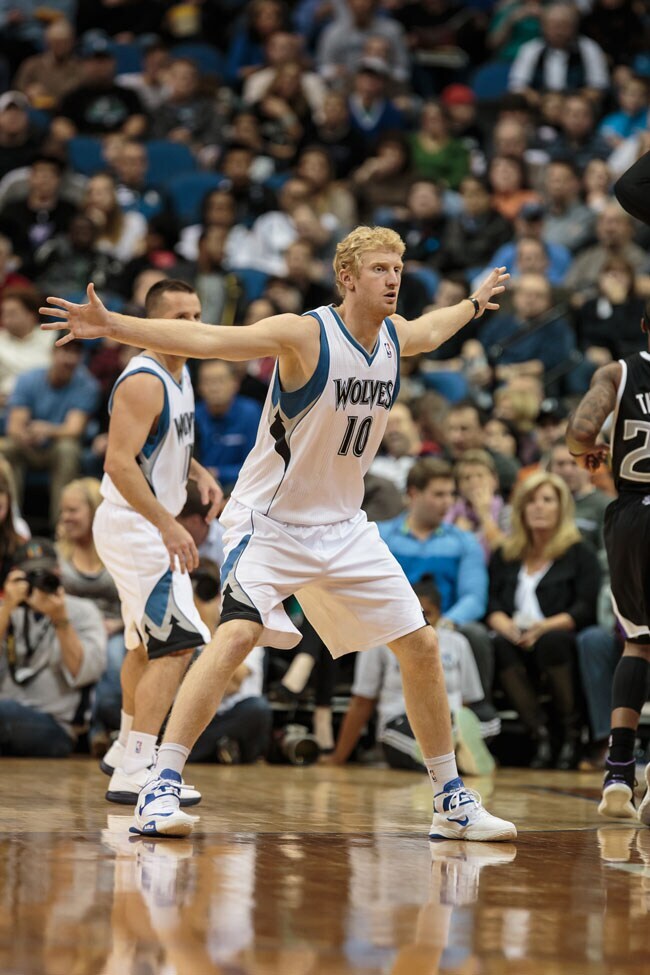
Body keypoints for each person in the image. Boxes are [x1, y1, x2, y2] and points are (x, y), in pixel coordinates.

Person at [42, 226, 516, 842]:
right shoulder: (305, 334)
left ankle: (450, 799)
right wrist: (117, 326)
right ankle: (158, 785)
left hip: (344, 528)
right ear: (348, 278)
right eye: (379, 268)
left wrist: (474, 304)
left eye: (398, 267)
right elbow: (209, 338)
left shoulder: (397, 336)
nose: (393, 277)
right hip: (270, 523)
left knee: (421, 646)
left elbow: (435, 327)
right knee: (235, 632)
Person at [89, 279, 222, 807]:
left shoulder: (182, 369)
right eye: (180, 318)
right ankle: (139, 765)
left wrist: (197, 469)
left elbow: (158, 440)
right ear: (152, 323)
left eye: (196, 315)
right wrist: (168, 524)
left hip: (142, 521)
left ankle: (126, 747)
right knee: (181, 641)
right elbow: (118, 463)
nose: (192, 326)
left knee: (146, 643)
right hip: (135, 523)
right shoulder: (143, 379)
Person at [565, 311, 650, 825]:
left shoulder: (618, 374)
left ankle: (619, 769)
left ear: (644, 326)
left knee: (638, 642)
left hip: (631, 519)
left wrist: (588, 453)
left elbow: (579, 431)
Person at [487, 471, 601, 770]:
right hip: (516, 633)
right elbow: (493, 602)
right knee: (499, 644)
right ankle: (541, 734)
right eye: (531, 501)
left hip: (557, 634)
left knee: (553, 642)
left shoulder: (580, 552)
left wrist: (544, 627)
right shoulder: (507, 553)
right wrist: (505, 625)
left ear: (561, 508)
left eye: (547, 500)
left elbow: (584, 607)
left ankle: (570, 734)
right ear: (521, 509)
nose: (538, 507)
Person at [330, 576, 495, 776]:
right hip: (401, 721)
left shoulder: (458, 642)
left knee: (490, 719)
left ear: (440, 615)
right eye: (416, 614)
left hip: (449, 719)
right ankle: (456, 756)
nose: (421, 621)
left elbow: (468, 700)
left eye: (429, 614)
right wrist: (339, 757)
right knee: (404, 740)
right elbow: (362, 701)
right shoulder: (380, 643)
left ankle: (453, 748)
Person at [0, 537, 106, 757]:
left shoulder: (83, 611)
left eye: (46, 573)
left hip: (56, 727)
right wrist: (7, 608)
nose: (39, 583)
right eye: (31, 576)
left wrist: (60, 619)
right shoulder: (8, 610)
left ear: (59, 572)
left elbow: (85, 672)